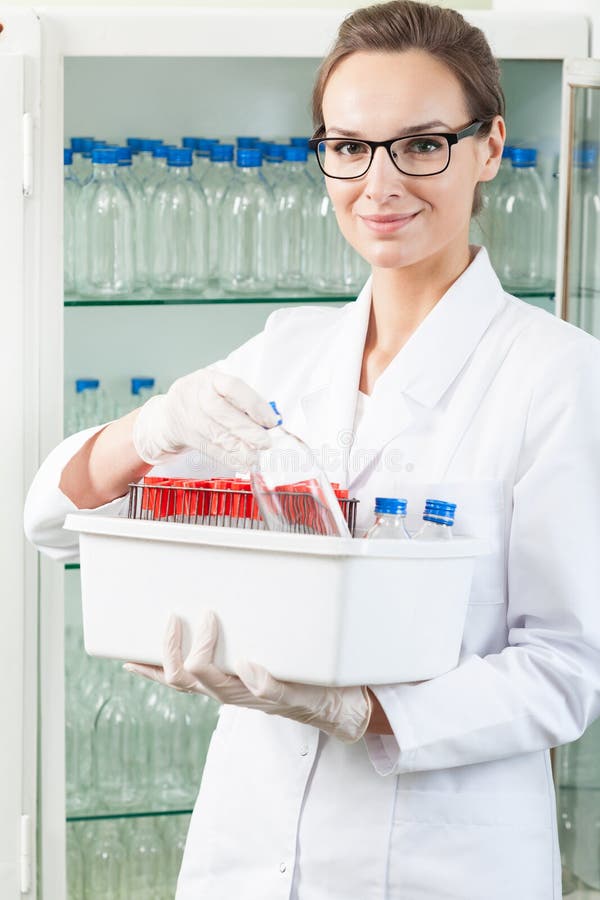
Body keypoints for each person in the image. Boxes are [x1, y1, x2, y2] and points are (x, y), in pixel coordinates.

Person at [24, 1, 600, 897]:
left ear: (489, 147)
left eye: (422, 145)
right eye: (348, 147)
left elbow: (564, 674)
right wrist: (152, 428)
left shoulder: (558, 376)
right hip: (244, 853)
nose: (380, 184)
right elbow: (54, 524)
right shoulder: (285, 354)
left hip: (438, 869)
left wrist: (359, 710)